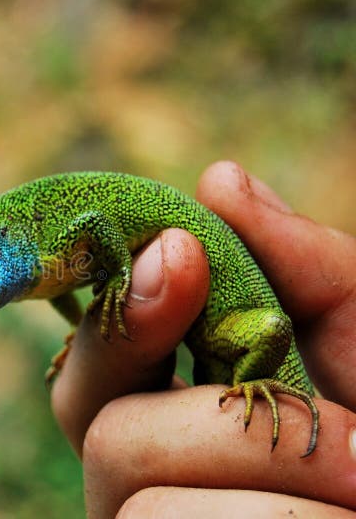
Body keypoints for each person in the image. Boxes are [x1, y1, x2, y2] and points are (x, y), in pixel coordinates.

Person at [50, 161, 356, 517]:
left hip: (247, 355)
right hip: (223, 368)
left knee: (270, 332)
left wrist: (251, 379)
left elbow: (273, 330)